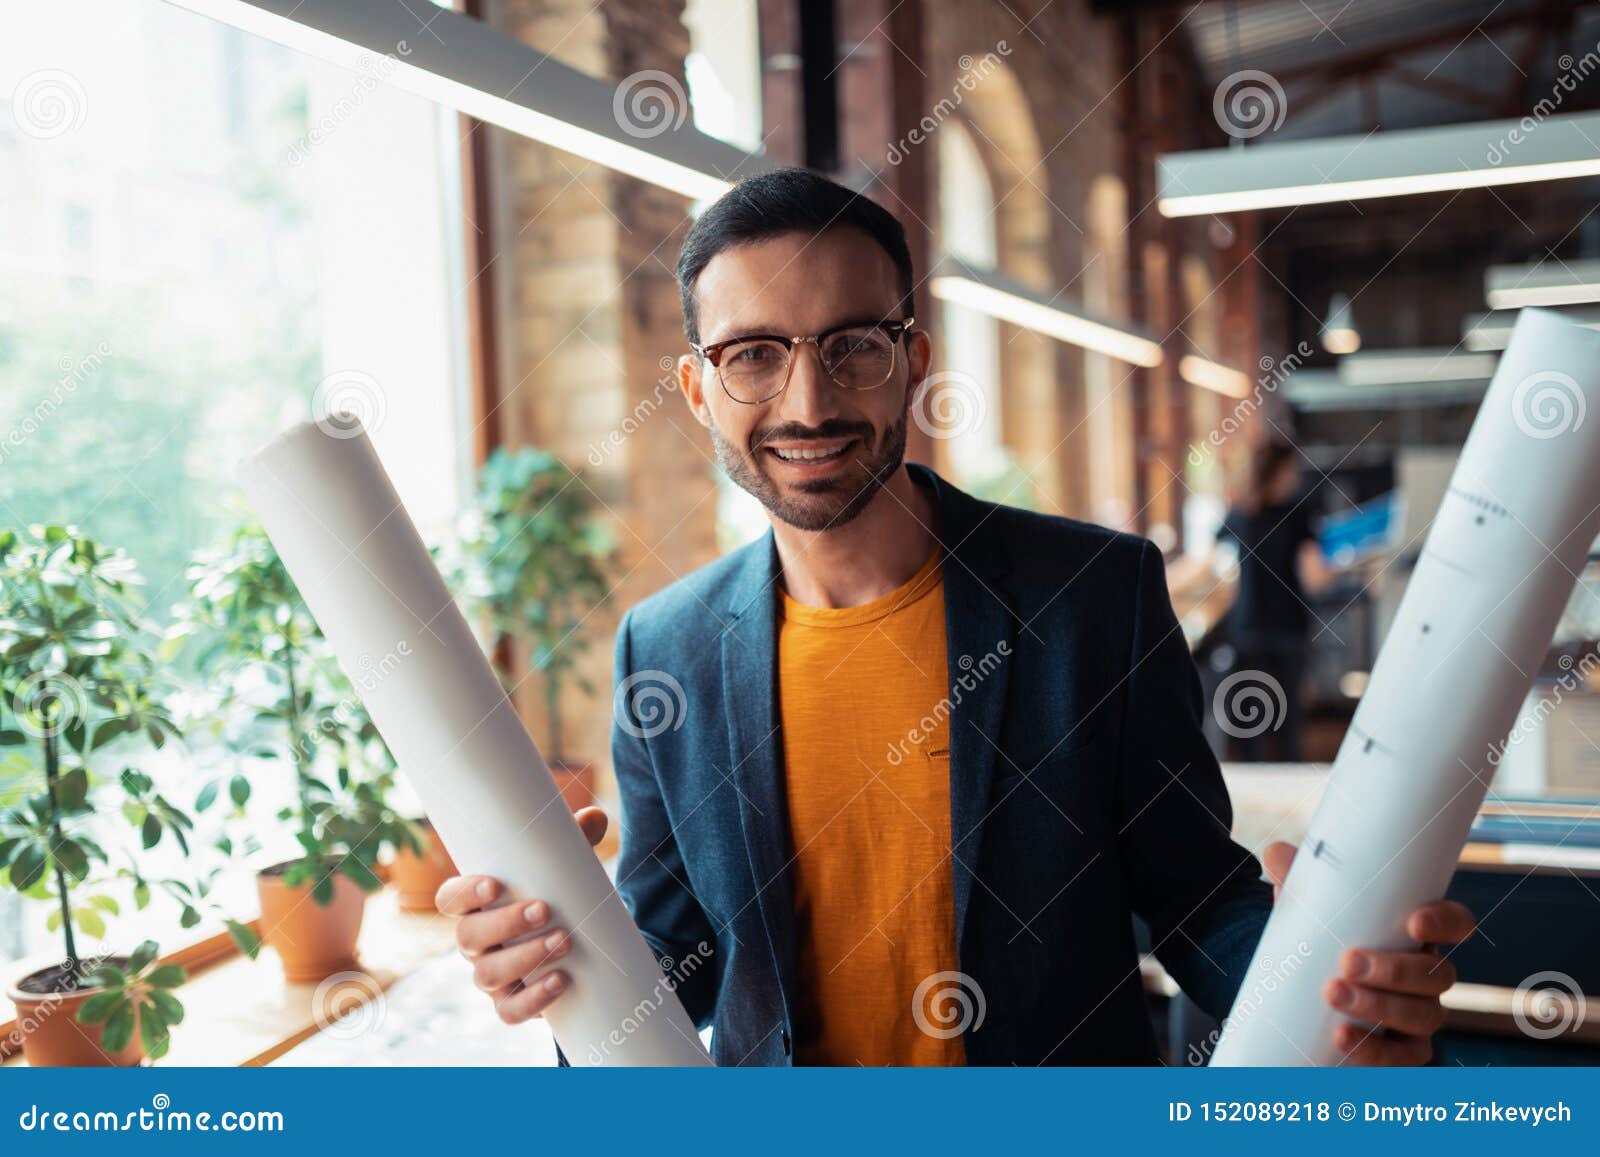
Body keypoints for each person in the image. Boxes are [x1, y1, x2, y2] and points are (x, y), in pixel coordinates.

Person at [435, 168, 1471, 1066]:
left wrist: (1321, 979)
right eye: (751, 353)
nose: (806, 402)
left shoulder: (1093, 594)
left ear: (914, 357)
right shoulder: (664, 647)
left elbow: (1196, 895)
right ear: (697, 389)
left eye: (851, 345)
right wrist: (558, 964)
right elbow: (679, 976)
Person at [1215, 442, 1338, 762]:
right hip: (1288, 628)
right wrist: (1340, 568)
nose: (1295, 478)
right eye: (1291, 470)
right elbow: (1315, 578)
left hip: (1247, 628)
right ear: (1280, 472)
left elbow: (1216, 564)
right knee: (1287, 722)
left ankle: (1254, 796)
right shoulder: (1298, 514)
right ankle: (1290, 795)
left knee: (1251, 718)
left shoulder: (1239, 513)